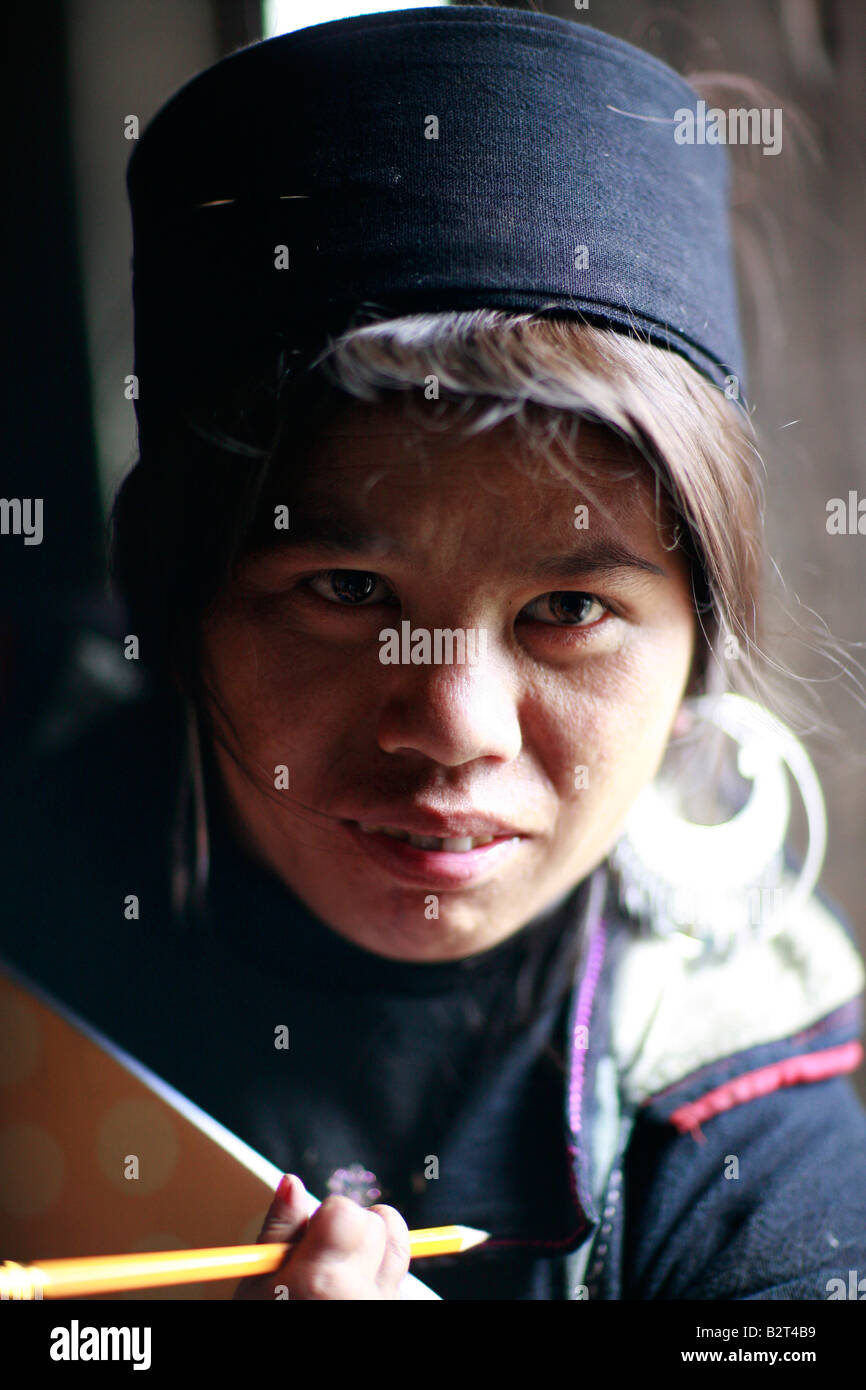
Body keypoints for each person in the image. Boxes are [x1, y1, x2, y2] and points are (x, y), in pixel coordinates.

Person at [2, 4, 866, 1302]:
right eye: (344, 586)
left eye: (566, 610)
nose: (453, 724)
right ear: (183, 606)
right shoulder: (34, 814)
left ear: (695, 649)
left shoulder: (742, 1118)